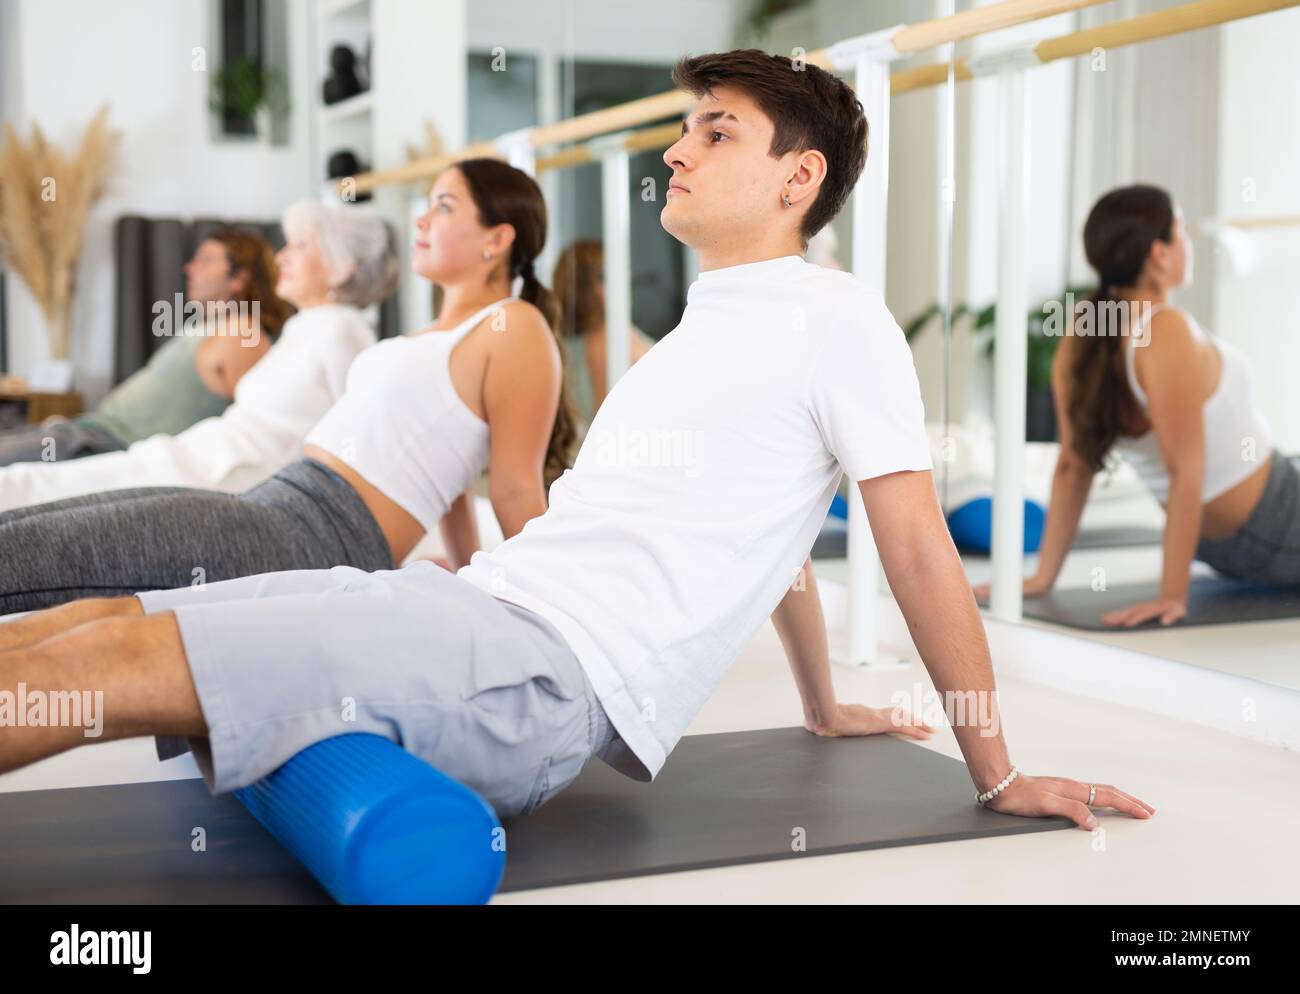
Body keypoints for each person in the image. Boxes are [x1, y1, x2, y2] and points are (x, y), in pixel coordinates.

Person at [0, 51, 1153, 833]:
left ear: (799, 178)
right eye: (684, 130)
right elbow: (778, 536)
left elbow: (912, 551)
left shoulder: (837, 317)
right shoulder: (712, 320)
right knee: (94, 620)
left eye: (715, 132)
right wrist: (821, 701)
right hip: (476, 612)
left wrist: (994, 772)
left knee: (107, 669)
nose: (678, 152)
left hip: (534, 679)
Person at [0, 160, 575, 613]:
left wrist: (535, 612)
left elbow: (515, 489)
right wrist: (462, 559)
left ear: (496, 239)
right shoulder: (429, 336)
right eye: (425, 206)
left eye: (443, 207)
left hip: (318, 534)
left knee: (56, 551)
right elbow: (449, 476)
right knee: (45, 522)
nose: (421, 221)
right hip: (279, 501)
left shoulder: (514, 325)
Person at [974, 184, 1295, 627]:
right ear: (1159, 254)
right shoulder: (1166, 330)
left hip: (1231, 541)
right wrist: (1172, 595)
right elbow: (1187, 472)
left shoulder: (1082, 334)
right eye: (1180, 230)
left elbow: (1073, 464)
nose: (1187, 244)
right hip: (1280, 518)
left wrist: (1043, 577)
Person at [0, 202, 394, 512]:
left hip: (214, 471)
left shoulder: (342, 329)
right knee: (28, 482)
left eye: (301, 245)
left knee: (36, 487)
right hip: (191, 453)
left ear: (341, 268)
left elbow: (361, 439)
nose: (282, 257)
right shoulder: (303, 327)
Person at [0, 229, 291, 467]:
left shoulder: (242, 331)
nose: (189, 267)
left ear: (239, 277)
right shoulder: (206, 328)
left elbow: (246, 422)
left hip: (102, 445)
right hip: (85, 432)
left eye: (206, 260)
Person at [551, 239, 655, 430]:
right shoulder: (607, 340)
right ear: (590, 288)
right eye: (609, 276)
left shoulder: (593, 338)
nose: (628, 277)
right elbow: (609, 425)